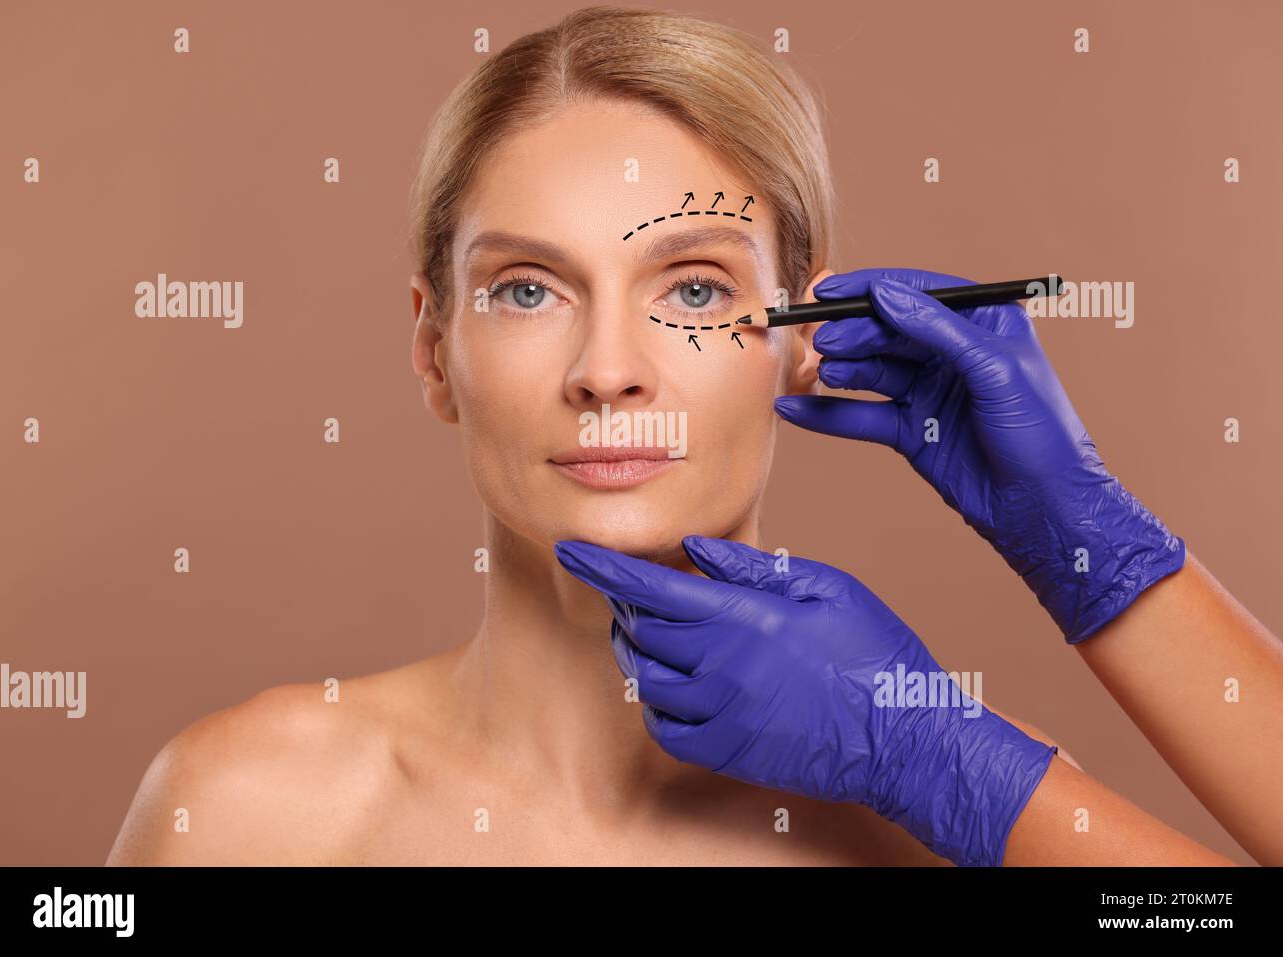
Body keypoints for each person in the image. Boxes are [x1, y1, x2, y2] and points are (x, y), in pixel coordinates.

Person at [107, 6, 1274, 867]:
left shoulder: (968, 795)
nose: (608, 371)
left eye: (697, 292)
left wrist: (1098, 552)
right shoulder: (247, 812)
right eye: (526, 289)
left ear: (804, 336)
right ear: (432, 349)